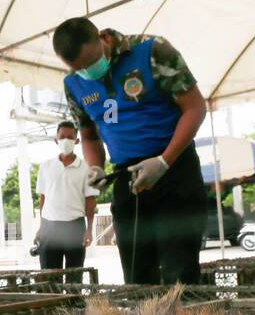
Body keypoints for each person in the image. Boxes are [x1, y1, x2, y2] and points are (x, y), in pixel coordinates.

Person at [53, 17, 208, 285]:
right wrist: (95, 167)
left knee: (179, 272)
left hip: (174, 169)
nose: (89, 72)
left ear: (102, 38)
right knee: (137, 274)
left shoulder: (151, 51)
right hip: (128, 178)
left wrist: (163, 161)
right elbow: (88, 135)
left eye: (91, 63)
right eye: (79, 69)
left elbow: (195, 108)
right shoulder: (73, 84)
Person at [36, 121, 98, 273]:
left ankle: (73, 298)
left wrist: (89, 229)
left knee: (74, 276)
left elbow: (90, 201)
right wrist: (41, 227)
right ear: (56, 139)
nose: (66, 140)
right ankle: (53, 298)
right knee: (49, 277)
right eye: (62, 136)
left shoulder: (87, 167)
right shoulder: (45, 166)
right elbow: (43, 197)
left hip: (75, 227)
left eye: (70, 137)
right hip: (49, 228)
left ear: (77, 141)